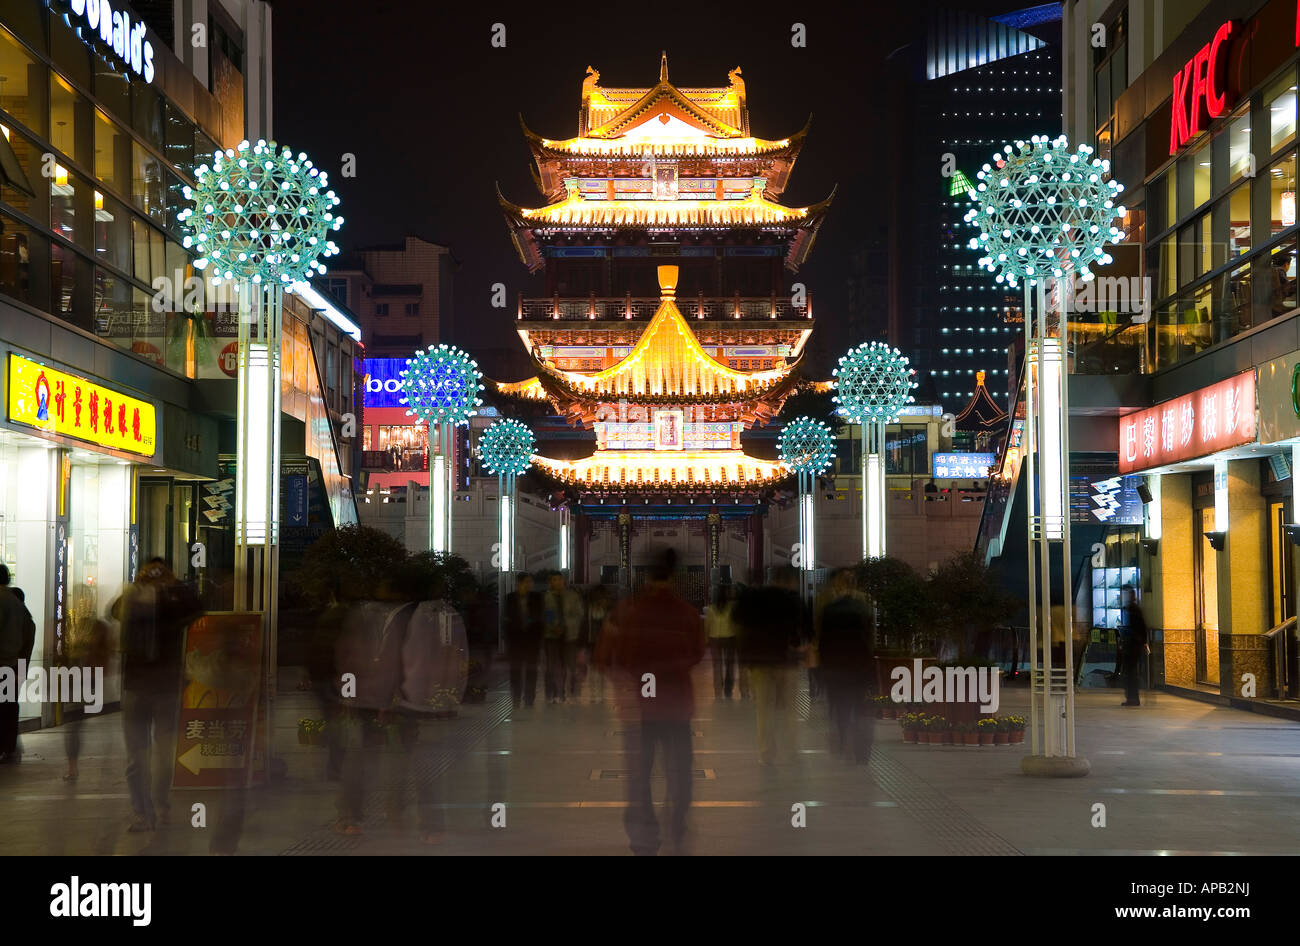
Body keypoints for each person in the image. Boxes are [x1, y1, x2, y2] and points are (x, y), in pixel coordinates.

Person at [606, 548, 704, 856]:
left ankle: (645, 834)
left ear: (647, 577)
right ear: (674, 577)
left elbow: (621, 656)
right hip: (678, 703)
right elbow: (697, 653)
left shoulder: (634, 612)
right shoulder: (687, 612)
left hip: (646, 705)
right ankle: (676, 819)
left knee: (642, 771)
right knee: (680, 768)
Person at [115, 557, 202, 831]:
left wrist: (170, 586)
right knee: (138, 757)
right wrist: (141, 586)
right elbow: (115, 610)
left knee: (161, 755)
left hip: (161, 687)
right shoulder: (132, 600)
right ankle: (144, 811)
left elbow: (197, 607)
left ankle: (158, 806)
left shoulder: (173, 603)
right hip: (139, 687)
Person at [734, 568, 809, 766]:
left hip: (759, 662)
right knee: (789, 709)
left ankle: (767, 752)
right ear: (789, 581)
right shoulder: (793, 599)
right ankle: (791, 750)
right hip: (786, 661)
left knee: (764, 709)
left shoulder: (753, 597)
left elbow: (739, 623)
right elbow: (805, 630)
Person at [817, 571, 874, 764]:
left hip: (835, 667)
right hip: (858, 666)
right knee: (859, 707)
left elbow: (823, 642)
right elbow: (868, 640)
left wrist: (822, 668)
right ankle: (860, 751)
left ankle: (843, 743)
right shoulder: (863, 609)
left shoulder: (830, 609)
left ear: (838, 587)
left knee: (840, 707)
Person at [63, 587, 111, 780]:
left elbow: (106, 652)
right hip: (74, 678)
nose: (83, 603)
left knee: (77, 723)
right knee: (74, 724)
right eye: (79, 599)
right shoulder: (68, 624)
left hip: (89, 678)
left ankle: (77, 766)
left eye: (86, 599)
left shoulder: (99, 627)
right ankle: (72, 767)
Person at [0, 563, 36, 763]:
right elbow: (28, 635)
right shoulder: (18, 605)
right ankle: (9, 747)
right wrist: (21, 666)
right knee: (9, 706)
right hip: (12, 665)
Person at [504, 574, 544, 710]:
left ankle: (529, 699)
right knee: (515, 671)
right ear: (519, 583)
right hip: (516, 641)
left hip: (532, 640)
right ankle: (516, 697)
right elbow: (507, 619)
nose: (529, 585)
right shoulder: (510, 598)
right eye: (527, 582)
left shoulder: (537, 598)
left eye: (530, 582)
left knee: (531, 671)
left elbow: (541, 617)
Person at [705, 583, 738, 700]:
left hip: (715, 639)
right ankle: (728, 690)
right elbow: (735, 625)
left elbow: (707, 626)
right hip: (730, 639)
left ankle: (718, 691)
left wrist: (705, 640)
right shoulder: (732, 608)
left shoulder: (711, 609)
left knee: (717, 666)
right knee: (729, 666)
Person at [1119, 584, 1149, 707]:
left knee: (1131, 672)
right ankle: (1132, 698)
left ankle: (1132, 698)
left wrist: (1139, 641)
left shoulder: (1133, 609)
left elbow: (1139, 628)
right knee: (1130, 672)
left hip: (1133, 645)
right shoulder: (1132, 609)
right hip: (1134, 644)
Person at [542, 572, 569, 703]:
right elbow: (547, 614)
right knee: (551, 665)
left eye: (560, 580)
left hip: (566, 635)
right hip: (551, 636)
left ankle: (561, 690)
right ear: (550, 582)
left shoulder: (569, 597)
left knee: (563, 665)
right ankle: (552, 692)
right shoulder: (547, 597)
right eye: (555, 580)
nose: (558, 582)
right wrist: (554, 627)